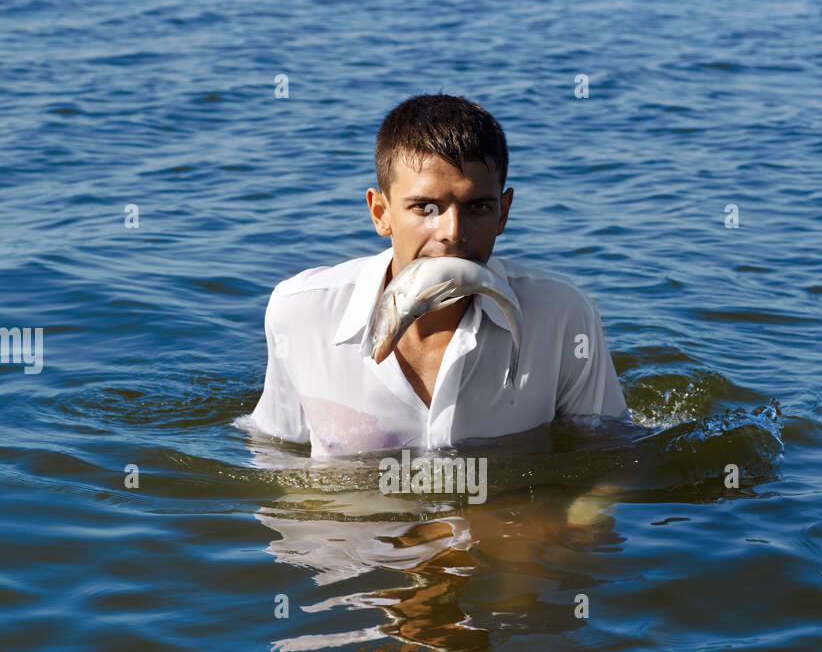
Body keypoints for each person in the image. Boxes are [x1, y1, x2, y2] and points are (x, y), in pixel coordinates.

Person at [241, 93, 628, 458]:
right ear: (381, 213)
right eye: (425, 207)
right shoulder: (300, 311)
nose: (452, 231)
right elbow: (276, 452)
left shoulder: (564, 314)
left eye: (477, 206)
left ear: (503, 213)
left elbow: (606, 458)